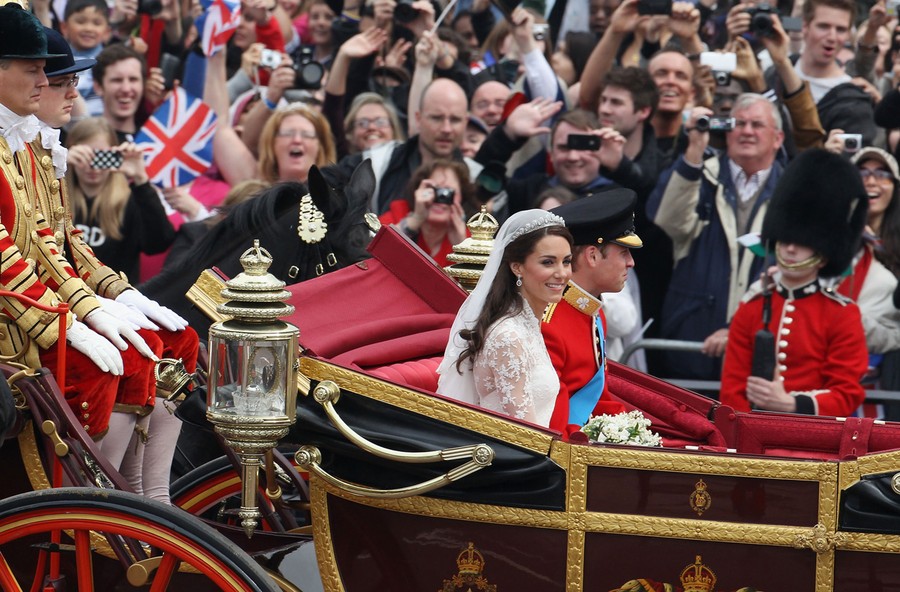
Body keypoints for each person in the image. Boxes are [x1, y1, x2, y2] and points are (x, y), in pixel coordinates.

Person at [32, 27, 198, 504]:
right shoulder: (31, 151)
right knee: (121, 361)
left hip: (65, 297)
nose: (69, 91)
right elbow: (23, 255)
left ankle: (150, 497)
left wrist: (121, 295)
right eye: (47, 76)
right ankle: (100, 503)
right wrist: (83, 312)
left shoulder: (39, 151)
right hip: (27, 312)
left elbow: (65, 247)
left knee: (178, 341)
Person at [0, 5, 155, 452]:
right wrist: (65, 323)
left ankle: (139, 501)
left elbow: (51, 242)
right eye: (35, 71)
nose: (46, 83)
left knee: (163, 348)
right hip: (12, 317)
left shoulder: (22, 145)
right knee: (104, 367)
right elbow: (6, 255)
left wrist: (102, 299)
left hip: (27, 307)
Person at [647, 93, 785, 381]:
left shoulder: (793, 190)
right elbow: (666, 219)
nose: (747, 131)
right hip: (691, 349)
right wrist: (695, 148)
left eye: (757, 124)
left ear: (778, 138)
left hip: (760, 359)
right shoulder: (700, 174)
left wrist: (738, 329)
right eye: (740, 123)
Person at [720, 149, 869, 417]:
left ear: (823, 255)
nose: (789, 248)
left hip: (815, 439)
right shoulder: (751, 309)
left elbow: (846, 393)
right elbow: (733, 390)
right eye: (784, 239)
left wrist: (792, 405)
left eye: (802, 242)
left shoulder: (842, 314)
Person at [437, 210, 573, 427]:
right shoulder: (508, 336)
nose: (562, 273)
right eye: (548, 262)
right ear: (517, 267)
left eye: (566, 262)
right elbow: (526, 434)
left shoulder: (526, 324)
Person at [542, 189, 643, 435]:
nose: (631, 262)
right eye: (623, 252)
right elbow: (553, 424)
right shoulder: (548, 320)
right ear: (593, 255)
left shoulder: (592, 312)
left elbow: (599, 400)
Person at [380, 159, 478, 267]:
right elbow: (371, 252)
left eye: (449, 192)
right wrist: (415, 220)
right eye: (435, 190)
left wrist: (461, 247)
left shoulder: (469, 238)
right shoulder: (398, 215)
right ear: (418, 192)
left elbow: (478, 281)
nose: (441, 199)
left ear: (462, 198)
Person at [258, 103, 337, 185]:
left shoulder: (338, 195)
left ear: (320, 146)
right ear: (272, 142)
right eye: (288, 133)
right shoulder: (254, 193)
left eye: (307, 135)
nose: (297, 140)